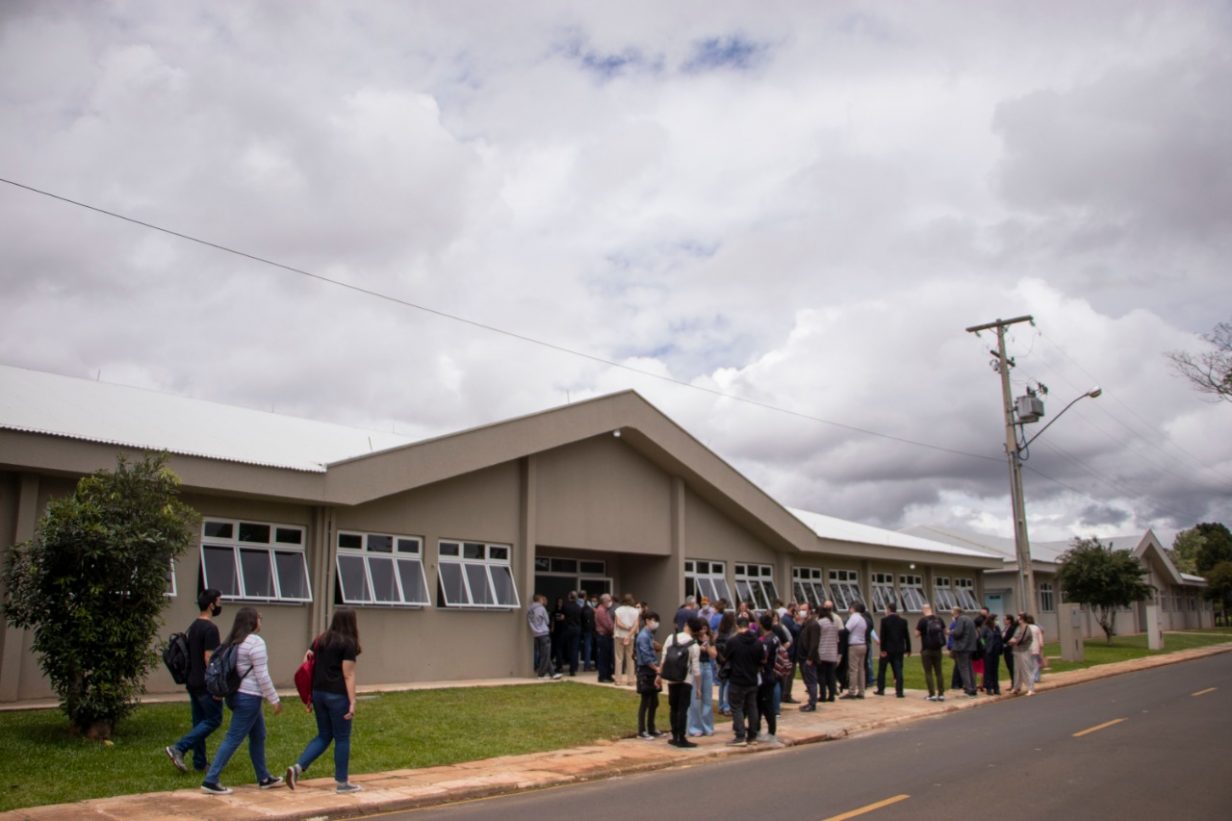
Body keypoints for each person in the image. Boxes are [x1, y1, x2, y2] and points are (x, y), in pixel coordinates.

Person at [201, 607, 283, 795]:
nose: (260, 622)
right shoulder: (255, 643)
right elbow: (262, 675)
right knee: (233, 738)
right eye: (259, 618)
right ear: (252, 622)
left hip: (235, 695)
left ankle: (264, 777)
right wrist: (274, 699)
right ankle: (211, 779)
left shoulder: (233, 641)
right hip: (250, 697)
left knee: (258, 735)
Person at [285, 608, 362, 794]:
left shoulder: (321, 639)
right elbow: (348, 674)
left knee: (324, 735)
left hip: (319, 693)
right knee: (342, 738)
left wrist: (309, 694)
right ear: (351, 622)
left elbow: (306, 660)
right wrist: (352, 701)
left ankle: (298, 767)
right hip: (338, 696)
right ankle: (342, 783)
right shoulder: (348, 643)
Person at [165, 588, 224, 774]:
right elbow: (209, 659)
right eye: (219, 601)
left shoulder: (194, 626)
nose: (220, 605)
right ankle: (179, 748)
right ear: (211, 605)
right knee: (214, 719)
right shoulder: (211, 629)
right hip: (205, 683)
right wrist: (217, 686)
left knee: (200, 721)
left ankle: (200, 762)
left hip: (192, 680)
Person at [656, 616, 701, 747]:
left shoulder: (671, 638)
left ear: (686, 624)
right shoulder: (694, 645)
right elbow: (696, 670)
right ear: (696, 631)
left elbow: (664, 658)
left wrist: (659, 675)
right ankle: (681, 737)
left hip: (671, 678)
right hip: (685, 679)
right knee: (683, 709)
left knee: (673, 708)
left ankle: (674, 735)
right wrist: (698, 687)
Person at [723, 616, 764, 747]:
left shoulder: (733, 641)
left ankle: (740, 735)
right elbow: (762, 660)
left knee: (737, 708)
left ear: (737, 625)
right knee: (752, 707)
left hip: (737, 678)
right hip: (752, 678)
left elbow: (726, 657)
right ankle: (752, 735)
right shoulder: (757, 642)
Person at [753, 613, 782, 744]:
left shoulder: (766, 641)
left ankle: (771, 732)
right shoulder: (775, 638)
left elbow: (763, 658)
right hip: (770, 672)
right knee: (761, 703)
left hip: (764, 675)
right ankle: (758, 729)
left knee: (765, 705)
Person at [687, 619, 718, 737]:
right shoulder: (692, 640)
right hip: (696, 667)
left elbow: (714, 655)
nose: (703, 631)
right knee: (695, 699)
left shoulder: (709, 639)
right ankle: (695, 727)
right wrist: (699, 648)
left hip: (707, 667)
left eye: (705, 628)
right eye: (701, 628)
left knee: (707, 698)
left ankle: (708, 726)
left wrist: (708, 644)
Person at [635, 611, 664, 738]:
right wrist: (656, 668)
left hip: (652, 670)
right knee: (645, 702)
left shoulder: (650, 635)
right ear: (647, 620)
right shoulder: (643, 636)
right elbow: (646, 656)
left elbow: (652, 649)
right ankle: (642, 730)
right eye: (653, 620)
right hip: (646, 671)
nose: (655, 623)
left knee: (654, 702)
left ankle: (651, 727)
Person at [875, 602, 910, 698]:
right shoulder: (903, 621)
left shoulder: (884, 620)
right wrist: (908, 648)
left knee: (882, 670)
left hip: (887, 649)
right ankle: (899, 691)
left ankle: (881, 689)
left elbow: (883, 635)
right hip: (899, 649)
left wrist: (882, 649)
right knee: (898, 670)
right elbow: (906, 636)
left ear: (889, 609)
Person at [915, 604, 947, 702]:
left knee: (928, 672)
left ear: (924, 610)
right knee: (939, 672)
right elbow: (945, 631)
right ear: (931, 609)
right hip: (938, 649)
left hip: (926, 649)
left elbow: (916, 634)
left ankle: (932, 694)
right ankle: (941, 694)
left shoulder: (922, 620)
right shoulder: (939, 619)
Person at [527, 594, 560, 680]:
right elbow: (547, 621)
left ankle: (552, 673)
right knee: (545, 655)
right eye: (542, 599)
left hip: (535, 634)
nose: (543, 601)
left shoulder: (529, 609)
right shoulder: (541, 608)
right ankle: (541, 674)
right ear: (539, 600)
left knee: (544, 655)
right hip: (543, 633)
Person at [949, 606, 978, 697]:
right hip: (970, 647)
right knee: (970, 668)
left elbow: (958, 633)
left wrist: (950, 632)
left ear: (956, 612)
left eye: (952, 612)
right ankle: (973, 688)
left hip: (962, 648)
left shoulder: (960, 620)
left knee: (964, 668)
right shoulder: (969, 619)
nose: (951, 614)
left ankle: (969, 688)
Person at [841, 602, 868, 699]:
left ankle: (852, 691)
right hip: (863, 644)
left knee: (853, 669)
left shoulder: (854, 618)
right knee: (861, 669)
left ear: (853, 609)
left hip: (854, 645)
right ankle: (861, 691)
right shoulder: (863, 619)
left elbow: (846, 630)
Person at [796, 604, 821, 711]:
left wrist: (810, 658)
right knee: (807, 681)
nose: (801, 612)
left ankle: (812, 703)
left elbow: (814, 643)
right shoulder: (805, 624)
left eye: (804, 610)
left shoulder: (813, 625)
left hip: (808, 658)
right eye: (800, 610)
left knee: (811, 681)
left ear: (810, 611)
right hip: (802, 658)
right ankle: (810, 700)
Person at [614, 594, 641, 687]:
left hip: (619, 635)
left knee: (619, 658)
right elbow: (636, 624)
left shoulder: (618, 610)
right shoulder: (635, 611)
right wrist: (629, 634)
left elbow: (618, 623)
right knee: (630, 658)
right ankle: (631, 680)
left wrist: (625, 627)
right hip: (631, 637)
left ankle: (618, 680)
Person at [1007, 612, 1037, 696]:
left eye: (1019, 618)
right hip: (1016, 651)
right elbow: (1014, 637)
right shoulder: (1018, 628)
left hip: (1024, 651)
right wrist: (1012, 640)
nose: (1017, 619)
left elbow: (1022, 639)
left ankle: (1031, 688)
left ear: (1022, 619)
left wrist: (1013, 641)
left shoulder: (1027, 628)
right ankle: (1016, 687)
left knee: (1026, 669)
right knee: (1017, 670)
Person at [817, 603, 841, 703]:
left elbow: (817, 636)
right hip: (832, 653)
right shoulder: (834, 623)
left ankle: (823, 695)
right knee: (831, 675)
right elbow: (837, 639)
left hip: (822, 652)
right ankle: (831, 695)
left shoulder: (820, 622)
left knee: (821, 675)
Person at [714, 610, 736, 716]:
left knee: (722, 683)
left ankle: (721, 705)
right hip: (729, 660)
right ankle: (727, 706)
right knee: (728, 683)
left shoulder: (719, 632)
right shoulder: (731, 634)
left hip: (721, 660)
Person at [594, 593, 616, 683]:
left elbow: (610, 622)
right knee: (603, 657)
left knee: (608, 657)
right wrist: (614, 630)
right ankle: (602, 676)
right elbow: (606, 625)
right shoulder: (601, 611)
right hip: (603, 636)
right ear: (604, 601)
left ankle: (608, 675)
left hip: (607, 636)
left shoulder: (605, 610)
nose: (610, 602)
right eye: (609, 600)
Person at [561, 591, 583, 676]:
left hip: (568, 629)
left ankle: (566, 663)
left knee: (567, 648)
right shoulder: (578, 607)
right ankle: (573, 669)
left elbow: (562, 617)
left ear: (569, 597)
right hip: (577, 629)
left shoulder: (565, 606)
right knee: (575, 649)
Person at [982, 614, 1003, 695]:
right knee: (988, 670)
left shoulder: (997, 628)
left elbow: (999, 637)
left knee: (995, 670)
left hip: (996, 651)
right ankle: (989, 687)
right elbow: (981, 638)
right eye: (995, 619)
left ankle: (996, 687)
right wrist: (985, 646)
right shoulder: (985, 628)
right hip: (988, 652)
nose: (997, 621)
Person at [580, 591, 596, 673]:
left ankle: (578, 666)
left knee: (579, 648)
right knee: (587, 647)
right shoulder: (589, 610)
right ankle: (587, 665)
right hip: (587, 630)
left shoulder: (582, 608)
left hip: (582, 629)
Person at [1028, 615, 1045, 683]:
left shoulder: (1026, 628)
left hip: (1028, 648)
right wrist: (1041, 646)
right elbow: (1040, 638)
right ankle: (1036, 677)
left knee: (1031, 663)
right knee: (1036, 662)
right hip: (1036, 647)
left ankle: (1034, 677)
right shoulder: (1037, 627)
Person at [1002, 614, 1017, 685]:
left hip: (1010, 649)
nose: (1004, 621)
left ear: (1009, 620)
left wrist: (1002, 639)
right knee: (1009, 666)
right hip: (1005, 649)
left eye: (1005, 619)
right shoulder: (1005, 628)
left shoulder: (1012, 628)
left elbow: (1007, 638)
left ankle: (1014, 683)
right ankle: (1012, 683)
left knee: (1012, 667)